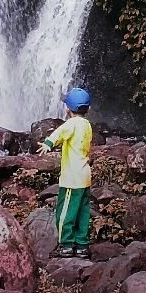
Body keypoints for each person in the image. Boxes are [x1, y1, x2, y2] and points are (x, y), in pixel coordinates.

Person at [38, 87, 93, 258]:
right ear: (88, 109)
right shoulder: (87, 125)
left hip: (72, 178)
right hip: (84, 177)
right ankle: (82, 245)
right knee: (82, 212)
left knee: (65, 212)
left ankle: (67, 245)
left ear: (67, 109)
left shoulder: (71, 124)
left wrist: (48, 143)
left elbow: (59, 133)